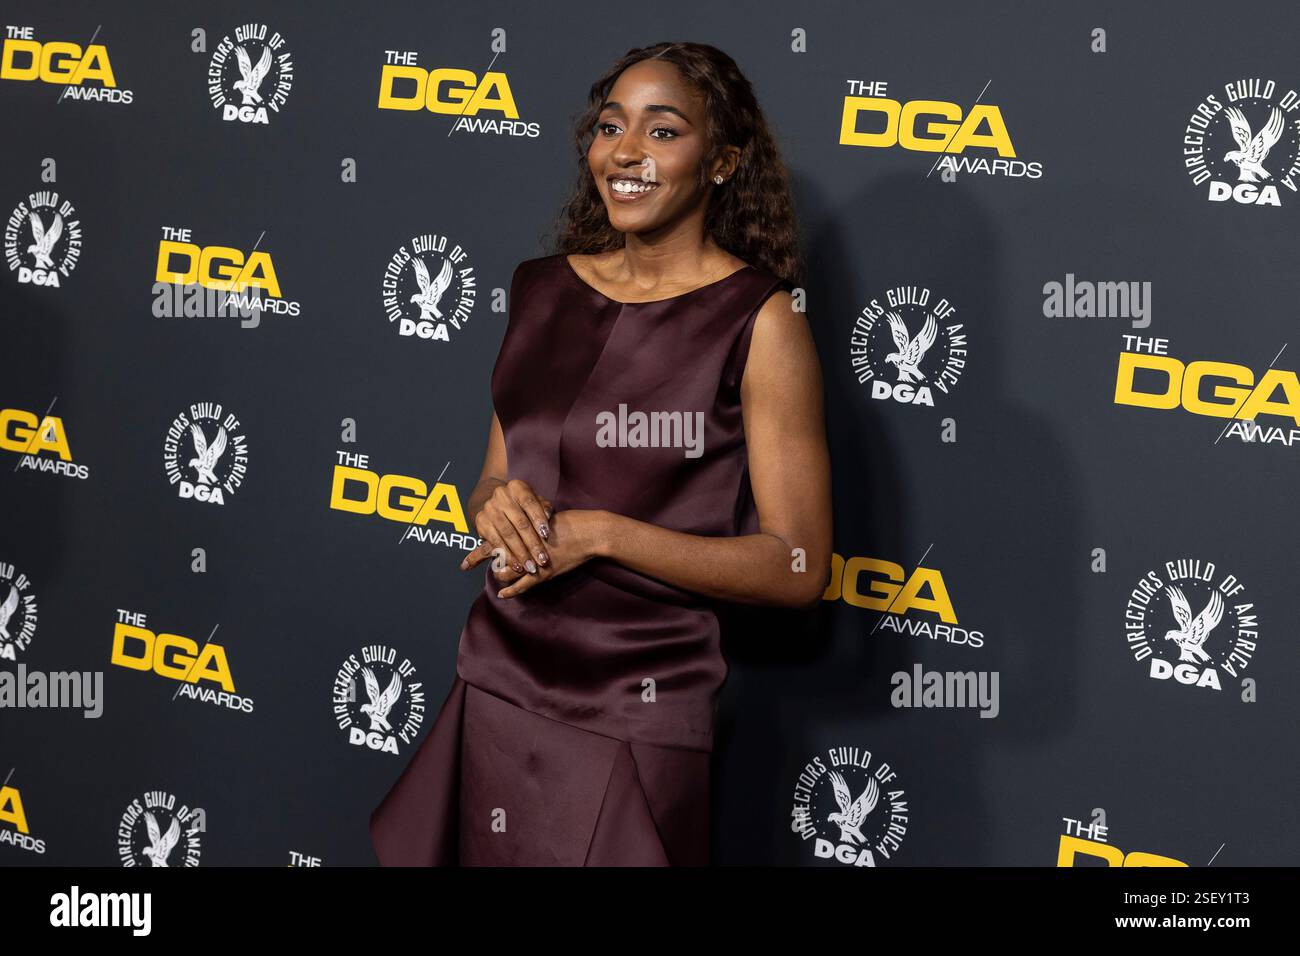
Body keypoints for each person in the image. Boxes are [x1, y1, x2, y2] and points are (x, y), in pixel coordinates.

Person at [370, 40, 832, 866]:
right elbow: (497, 474)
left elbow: (797, 568)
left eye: (663, 132)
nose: (625, 153)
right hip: (496, 687)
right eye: (611, 125)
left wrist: (601, 535)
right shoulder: (540, 288)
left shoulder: (760, 323)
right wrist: (492, 504)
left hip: (635, 713)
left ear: (721, 162)